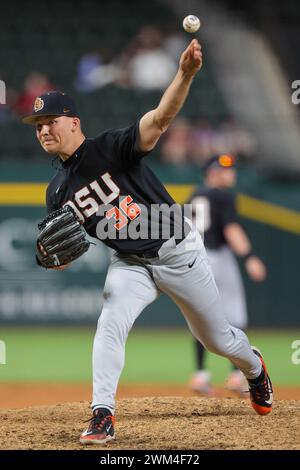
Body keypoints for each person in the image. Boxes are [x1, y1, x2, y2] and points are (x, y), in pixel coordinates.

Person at [22, 39, 273, 446]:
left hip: (179, 251)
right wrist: (47, 257)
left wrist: (184, 75)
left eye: (51, 120)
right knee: (110, 322)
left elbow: (159, 119)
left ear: (73, 122)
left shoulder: (110, 148)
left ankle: (255, 369)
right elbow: (65, 254)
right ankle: (102, 413)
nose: (44, 129)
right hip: (130, 263)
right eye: (38, 125)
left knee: (217, 339)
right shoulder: (56, 192)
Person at [187, 154, 267, 397]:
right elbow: (232, 230)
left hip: (194, 258)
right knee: (234, 313)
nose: (230, 173)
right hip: (218, 257)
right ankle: (236, 374)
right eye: (224, 170)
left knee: (201, 315)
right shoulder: (223, 195)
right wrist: (250, 256)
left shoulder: (194, 196)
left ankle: (200, 375)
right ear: (212, 173)